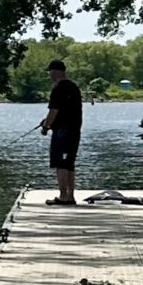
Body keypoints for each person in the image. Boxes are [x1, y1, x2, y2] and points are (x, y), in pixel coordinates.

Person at [41, 59, 83, 205]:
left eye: (50, 72)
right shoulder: (74, 87)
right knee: (69, 163)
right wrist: (47, 121)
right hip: (75, 131)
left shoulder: (58, 88)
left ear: (55, 71)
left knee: (61, 164)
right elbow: (66, 110)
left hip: (62, 133)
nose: (49, 75)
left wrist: (46, 126)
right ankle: (70, 196)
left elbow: (53, 111)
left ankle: (63, 196)